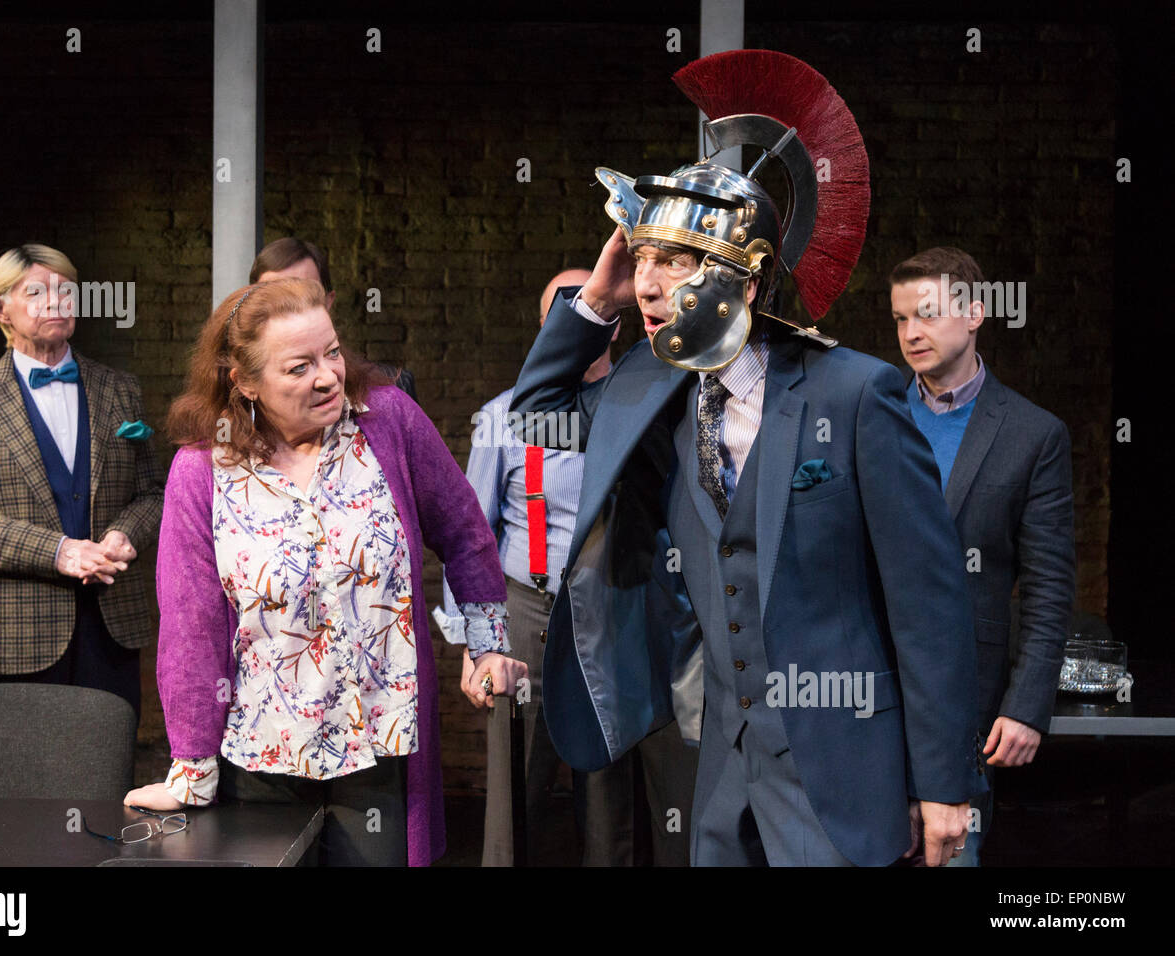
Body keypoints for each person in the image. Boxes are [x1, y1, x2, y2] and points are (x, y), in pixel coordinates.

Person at [510, 49, 980, 867]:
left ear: (749, 279)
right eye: (643, 258)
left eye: (676, 261)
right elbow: (540, 416)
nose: (651, 285)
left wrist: (944, 785)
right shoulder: (649, 390)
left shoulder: (855, 394)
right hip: (723, 774)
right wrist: (599, 294)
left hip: (843, 773)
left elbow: (929, 607)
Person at [125, 277, 526, 867]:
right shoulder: (202, 470)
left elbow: (464, 528)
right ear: (243, 382)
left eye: (332, 353)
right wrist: (191, 764)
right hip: (259, 758)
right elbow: (191, 625)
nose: (327, 376)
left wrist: (488, 642)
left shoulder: (387, 421)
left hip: (381, 748)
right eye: (298, 367)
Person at [435, 268, 698, 866]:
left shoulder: (641, 411)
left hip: (609, 607)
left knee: (607, 778)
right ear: (550, 331)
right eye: (565, 313)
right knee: (515, 779)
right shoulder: (504, 416)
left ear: (611, 327)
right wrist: (474, 646)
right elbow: (472, 533)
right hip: (524, 606)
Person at [890, 246, 1075, 866]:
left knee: (950, 859)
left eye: (928, 314)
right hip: (864, 692)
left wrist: (1026, 707)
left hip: (968, 700)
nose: (912, 332)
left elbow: (1050, 587)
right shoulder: (870, 410)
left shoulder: (1032, 433)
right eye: (900, 319)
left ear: (975, 313)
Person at [0, 243, 164, 716]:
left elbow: (154, 493)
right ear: (1, 309)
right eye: (37, 292)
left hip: (113, 627)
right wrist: (57, 551)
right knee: (22, 781)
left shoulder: (120, 388)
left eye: (66, 291)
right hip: (16, 637)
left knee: (105, 774)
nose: (57, 302)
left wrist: (126, 533)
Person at [250, 237, 419, 402]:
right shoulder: (236, 392)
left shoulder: (392, 388)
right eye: (273, 296)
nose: (290, 310)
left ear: (328, 302)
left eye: (307, 295)